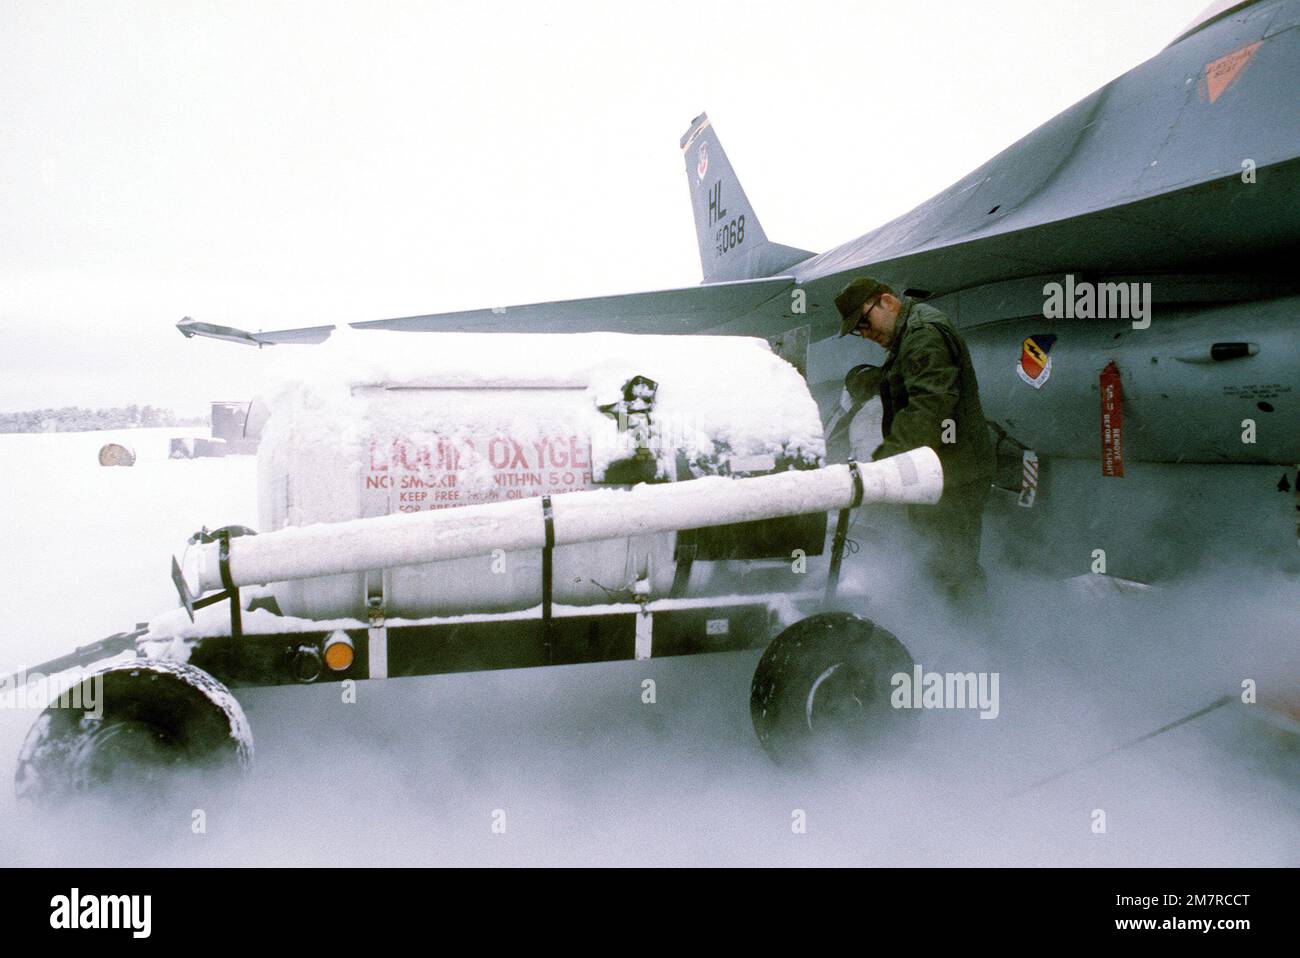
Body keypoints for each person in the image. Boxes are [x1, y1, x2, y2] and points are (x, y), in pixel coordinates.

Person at [835, 277, 996, 608]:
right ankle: (959, 632)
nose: (864, 332)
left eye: (864, 321)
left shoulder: (923, 335)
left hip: (953, 473)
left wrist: (885, 467)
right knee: (941, 561)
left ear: (888, 303)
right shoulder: (910, 334)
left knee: (953, 568)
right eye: (857, 329)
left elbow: (930, 406)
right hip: (942, 470)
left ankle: (976, 642)